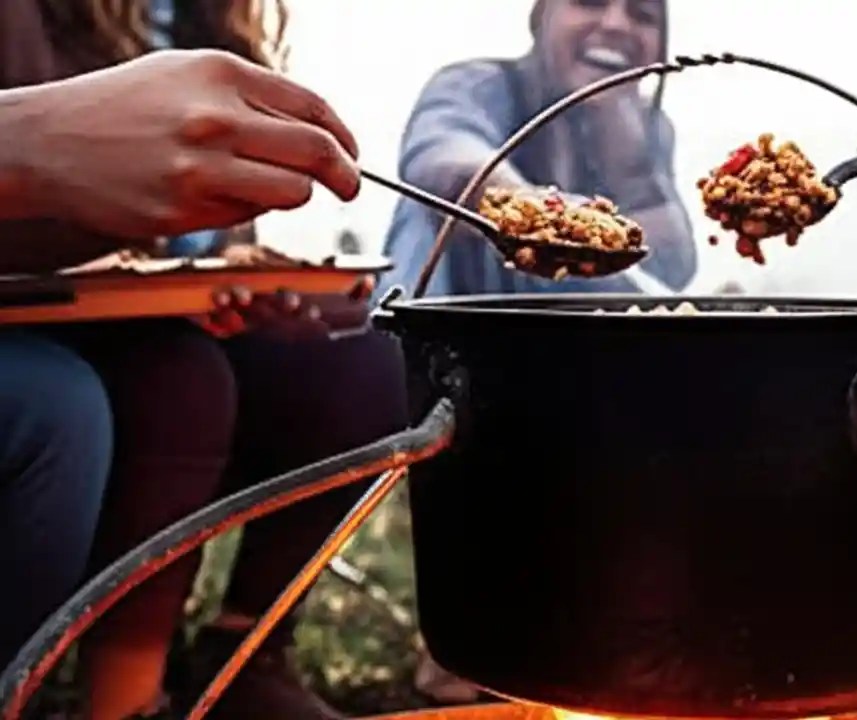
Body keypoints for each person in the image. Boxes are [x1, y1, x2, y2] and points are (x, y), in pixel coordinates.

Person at [2, 3, 409, 718]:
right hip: (55, 310)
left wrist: (246, 279)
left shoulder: (211, 22)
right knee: (180, 378)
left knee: (361, 360)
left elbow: (210, 238)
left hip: (157, 309)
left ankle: (245, 654)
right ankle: (126, 701)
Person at [378, 0, 696, 298]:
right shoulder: (475, 87)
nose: (616, 24)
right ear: (540, 15)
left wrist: (629, 163)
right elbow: (445, 164)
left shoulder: (648, 129)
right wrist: (550, 221)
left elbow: (673, 267)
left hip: (569, 337)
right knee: (433, 210)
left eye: (643, 16)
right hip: (440, 327)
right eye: (590, 1)